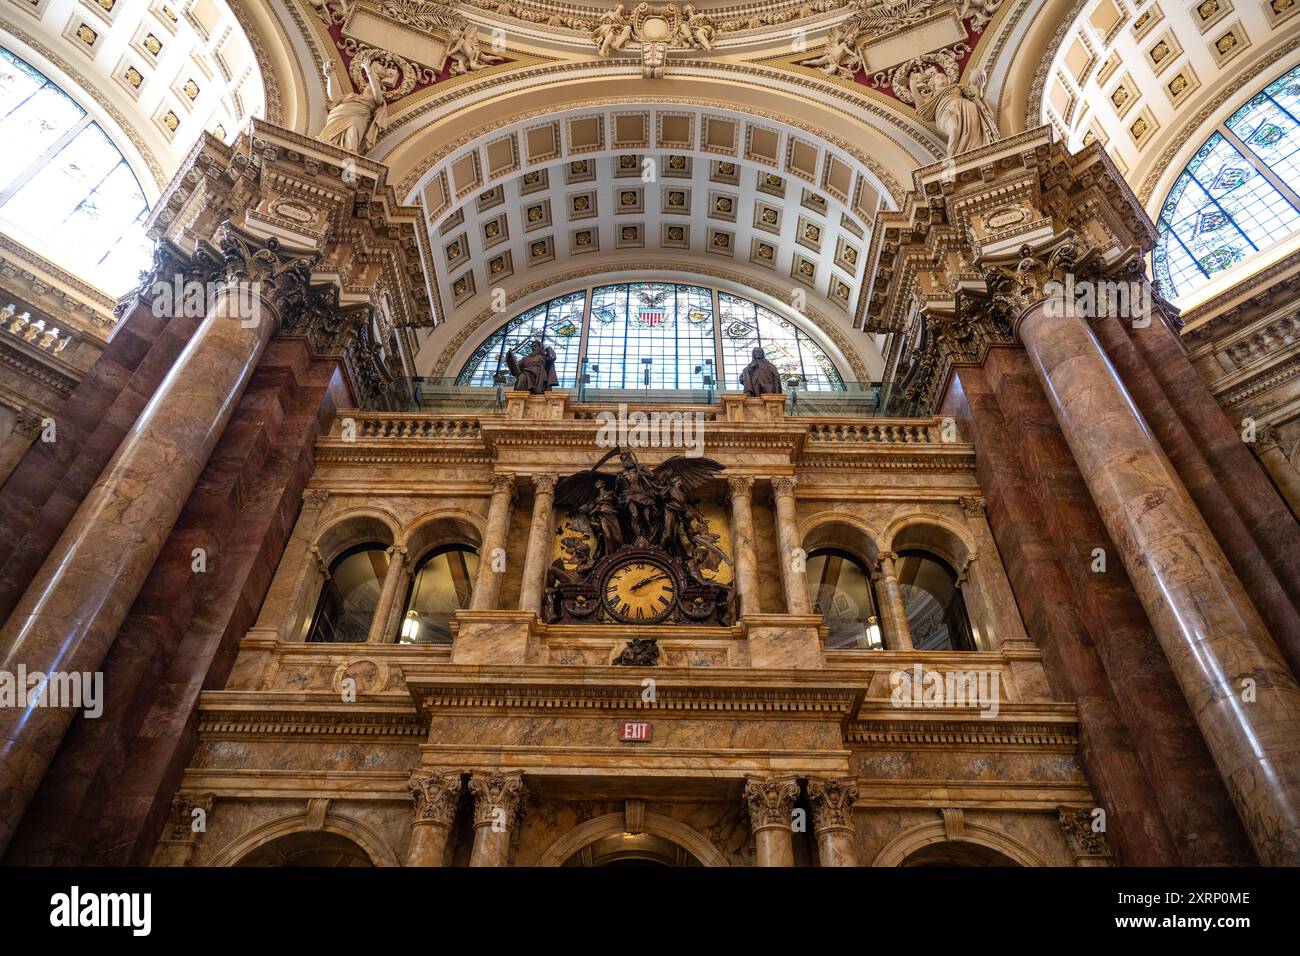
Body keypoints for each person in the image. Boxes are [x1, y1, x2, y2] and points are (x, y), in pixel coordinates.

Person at [318, 60, 387, 153]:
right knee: (330, 138)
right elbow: (335, 97)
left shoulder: (376, 101)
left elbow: (376, 89)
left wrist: (368, 70)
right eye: (368, 87)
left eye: (371, 87)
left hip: (358, 118)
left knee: (353, 126)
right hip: (340, 114)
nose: (369, 88)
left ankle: (349, 152)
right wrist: (330, 77)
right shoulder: (352, 96)